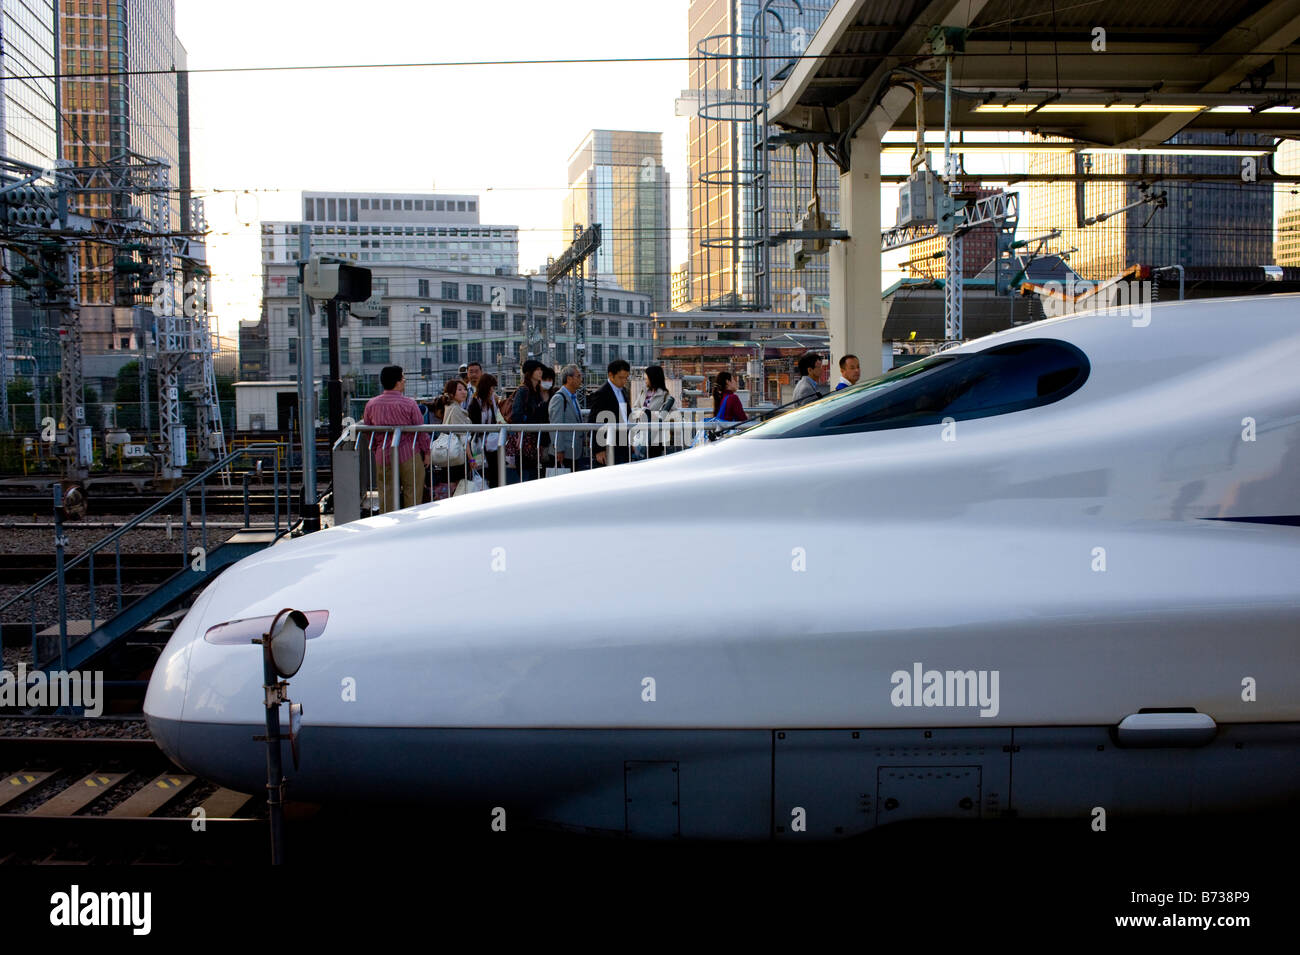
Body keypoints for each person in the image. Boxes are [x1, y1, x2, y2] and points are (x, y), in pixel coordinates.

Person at [362, 365, 430, 513]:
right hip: (409, 453)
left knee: (386, 493)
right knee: (412, 491)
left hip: (383, 453)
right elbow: (420, 431)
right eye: (403, 378)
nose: (404, 382)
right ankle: (410, 526)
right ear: (398, 382)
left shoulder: (371, 404)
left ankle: (388, 527)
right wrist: (427, 453)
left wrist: (376, 448)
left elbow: (368, 430)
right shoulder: (409, 403)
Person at [430, 378, 473, 496]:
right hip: (458, 454)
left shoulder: (450, 407)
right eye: (459, 390)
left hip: (451, 453)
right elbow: (464, 437)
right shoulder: (456, 409)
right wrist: (471, 459)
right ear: (451, 393)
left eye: (464, 389)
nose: (464, 392)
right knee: (459, 488)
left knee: (452, 488)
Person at [589, 358, 632, 466]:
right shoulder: (601, 393)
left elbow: (626, 415)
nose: (624, 381)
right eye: (621, 377)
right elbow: (594, 422)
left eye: (626, 378)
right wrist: (599, 449)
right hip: (608, 444)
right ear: (611, 375)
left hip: (623, 443)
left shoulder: (624, 391)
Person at [508, 359, 546, 482]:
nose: (541, 372)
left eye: (541, 370)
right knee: (527, 476)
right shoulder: (523, 390)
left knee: (534, 474)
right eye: (537, 370)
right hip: (525, 441)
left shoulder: (536, 391)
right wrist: (531, 419)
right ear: (530, 372)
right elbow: (516, 415)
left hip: (534, 439)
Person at [548, 364, 587, 471]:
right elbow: (556, 425)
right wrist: (559, 449)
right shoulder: (559, 398)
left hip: (573, 451)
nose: (581, 379)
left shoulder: (572, 397)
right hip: (565, 452)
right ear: (569, 379)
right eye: (578, 376)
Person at [468, 373, 503, 488]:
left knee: (495, 471)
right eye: (491, 388)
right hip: (479, 442)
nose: (492, 390)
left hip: (491, 441)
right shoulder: (475, 403)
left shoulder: (491, 401)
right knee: (484, 471)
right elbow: (474, 424)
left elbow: (492, 418)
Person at [640, 364, 676, 458]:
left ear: (653, 378)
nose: (645, 380)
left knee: (651, 459)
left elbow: (674, 415)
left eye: (646, 378)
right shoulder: (643, 392)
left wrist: (654, 416)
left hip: (656, 436)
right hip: (642, 433)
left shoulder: (666, 396)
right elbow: (635, 408)